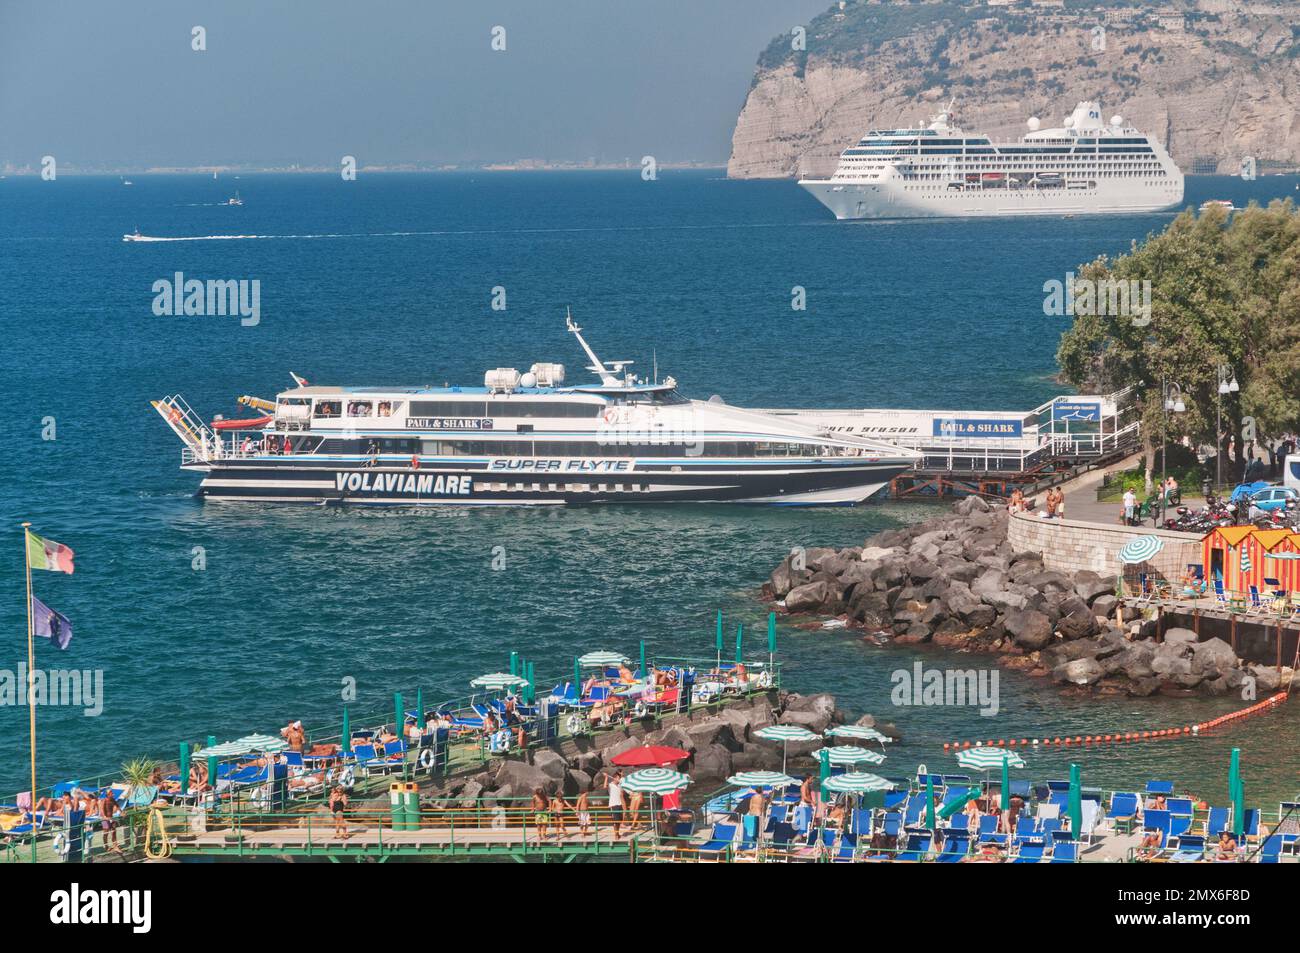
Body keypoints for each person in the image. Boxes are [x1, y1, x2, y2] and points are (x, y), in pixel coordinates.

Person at [607, 770, 625, 838]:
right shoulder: (611, 785)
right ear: (614, 778)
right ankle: (616, 834)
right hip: (613, 805)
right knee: (615, 821)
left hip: (619, 804)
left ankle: (617, 833)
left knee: (619, 821)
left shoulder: (619, 785)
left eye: (619, 778)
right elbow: (605, 786)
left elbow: (622, 792)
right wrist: (606, 777)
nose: (619, 779)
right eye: (618, 778)